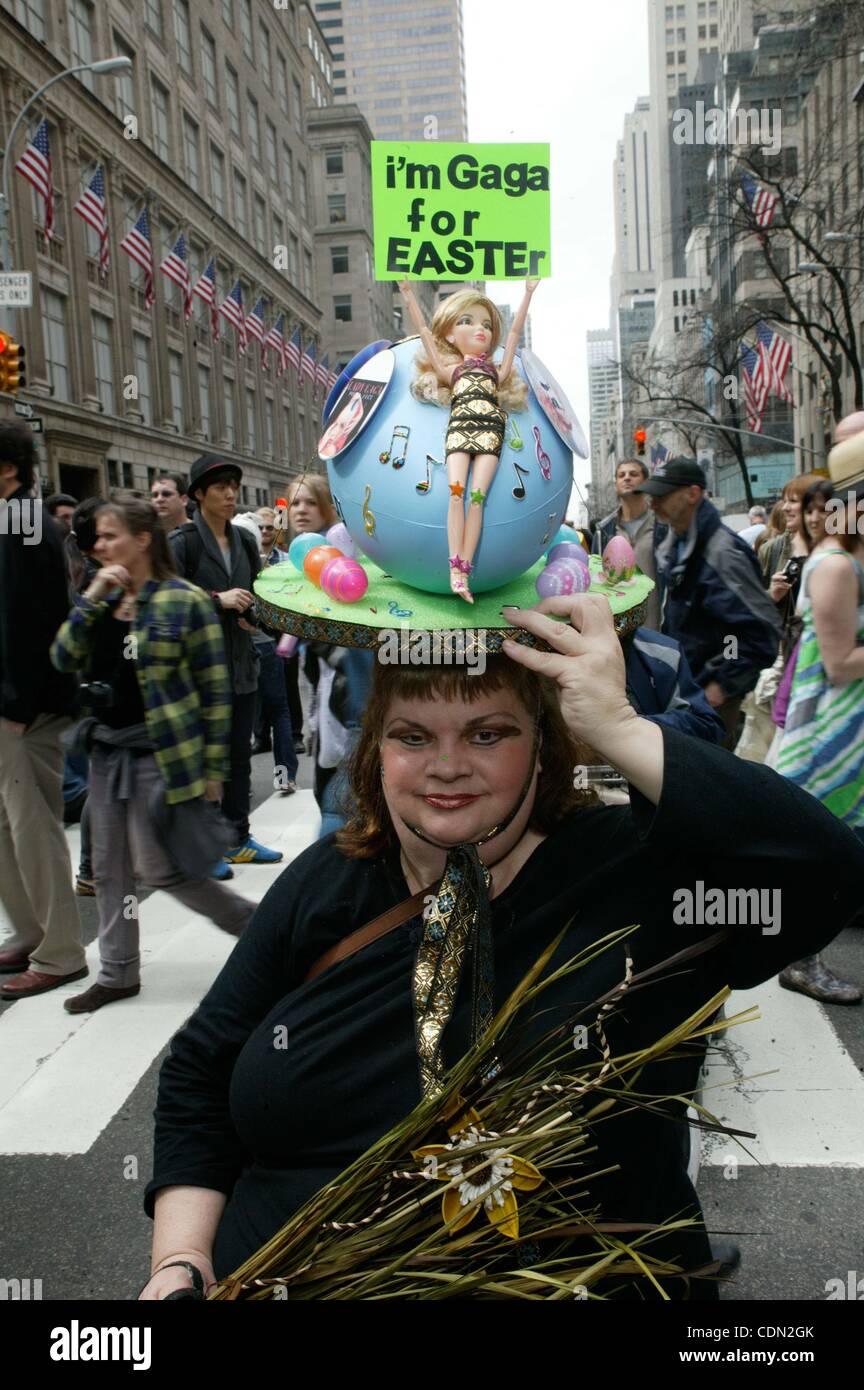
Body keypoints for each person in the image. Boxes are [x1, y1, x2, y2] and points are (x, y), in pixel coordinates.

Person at [140, 594, 864, 1300]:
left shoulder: (639, 877)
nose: (447, 765)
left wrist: (618, 726)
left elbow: (825, 873)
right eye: (412, 736)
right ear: (375, 750)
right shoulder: (333, 877)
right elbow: (202, 1070)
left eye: (488, 734)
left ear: (545, 748)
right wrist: (179, 1262)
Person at [49, 501, 256, 1014]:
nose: (99, 546)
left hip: (161, 754)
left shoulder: (185, 602)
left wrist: (214, 772)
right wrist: (92, 598)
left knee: (160, 868)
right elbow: (61, 657)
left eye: (110, 536)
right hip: (105, 753)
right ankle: (118, 973)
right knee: (109, 871)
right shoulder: (102, 598)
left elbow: (215, 690)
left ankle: (255, 929)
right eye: (96, 538)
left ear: (143, 539)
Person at [0, 423, 87, 1000]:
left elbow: (29, 620)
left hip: (22, 710)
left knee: (33, 828)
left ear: (8, 467)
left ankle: (59, 953)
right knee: (7, 827)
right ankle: (31, 931)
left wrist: (18, 705)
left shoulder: (24, 521)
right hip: (12, 705)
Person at [774, 481, 864, 1004]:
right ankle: (798, 957)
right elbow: (838, 664)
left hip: (850, 728)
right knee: (825, 855)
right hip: (831, 734)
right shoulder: (835, 566)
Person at [170, 455, 282, 877]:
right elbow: (166, 599)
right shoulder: (183, 542)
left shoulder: (245, 541)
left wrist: (255, 615)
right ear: (198, 494)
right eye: (219, 486)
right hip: (200, 672)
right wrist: (217, 599)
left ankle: (238, 838)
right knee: (206, 759)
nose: (230, 493)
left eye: (234, 485)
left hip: (241, 665)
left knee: (238, 758)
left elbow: (255, 596)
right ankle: (206, 846)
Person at [398, 278, 536, 601]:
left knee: (477, 498)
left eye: (487, 325)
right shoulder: (451, 371)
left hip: (490, 432)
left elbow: (514, 334)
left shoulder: (497, 372)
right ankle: (454, 568)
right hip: (459, 430)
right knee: (456, 493)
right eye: (467, 321)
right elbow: (422, 331)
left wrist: (527, 293)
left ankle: (465, 569)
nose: (481, 330)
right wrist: (407, 295)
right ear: (448, 333)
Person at [635, 456, 781, 748]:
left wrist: (721, 685)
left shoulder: (721, 552)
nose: (654, 504)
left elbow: (754, 631)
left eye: (663, 495)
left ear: (693, 493)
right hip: (689, 691)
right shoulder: (680, 542)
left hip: (709, 700)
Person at [232, 513, 298, 797]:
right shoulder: (263, 566)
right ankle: (283, 776)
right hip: (260, 647)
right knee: (274, 711)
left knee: (250, 714)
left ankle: (246, 782)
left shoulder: (247, 566)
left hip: (254, 648)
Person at [279, 475, 339, 756]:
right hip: (314, 669)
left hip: (341, 670)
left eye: (311, 503)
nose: (301, 510)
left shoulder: (340, 549)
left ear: (327, 507)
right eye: (294, 503)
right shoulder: (297, 555)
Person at [592, 458, 664, 629]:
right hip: (617, 629)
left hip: (657, 627)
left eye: (633, 474)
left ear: (645, 481)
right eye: (621, 475)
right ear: (616, 484)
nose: (627, 478)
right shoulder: (603, 530)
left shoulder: (663, 526)